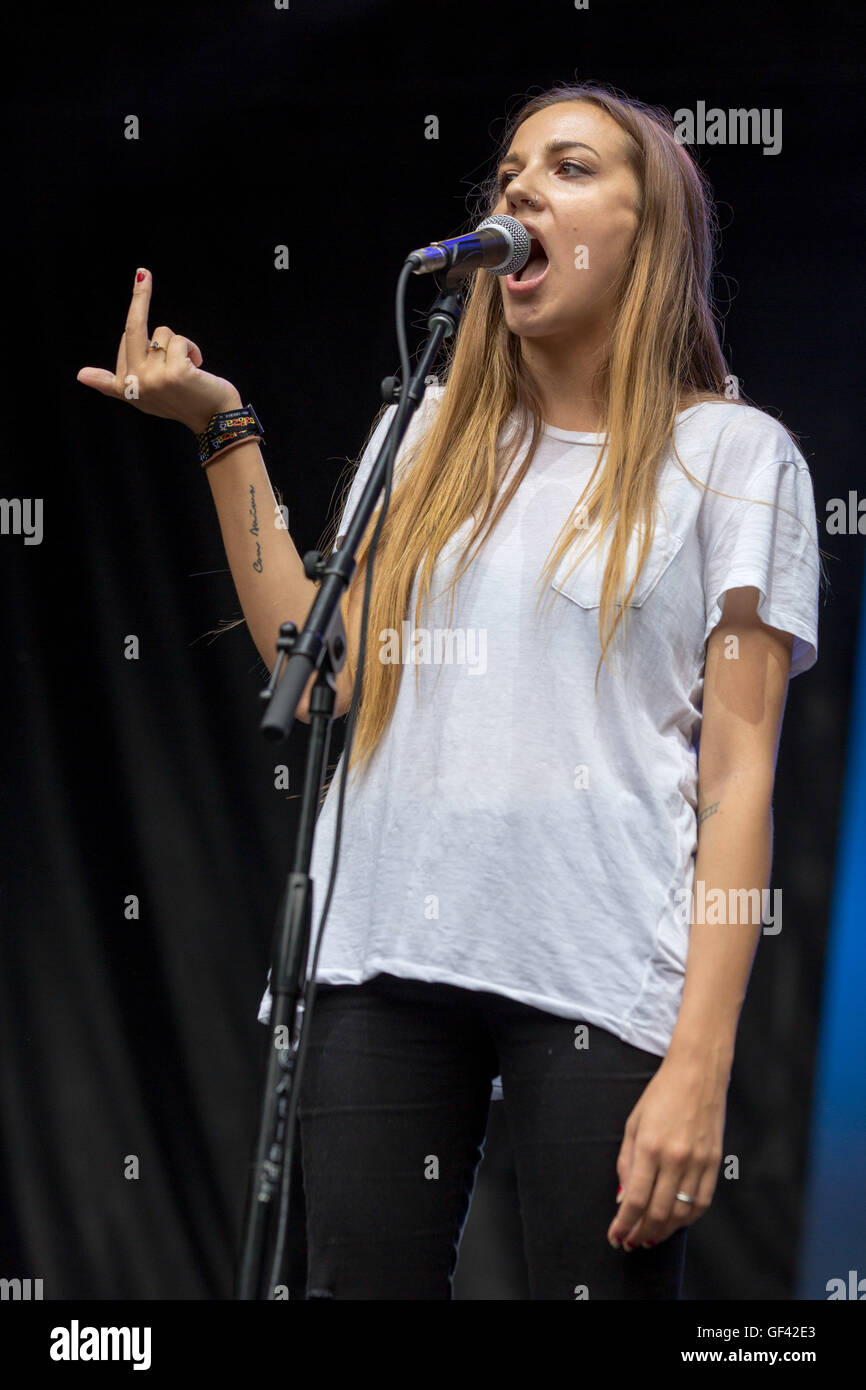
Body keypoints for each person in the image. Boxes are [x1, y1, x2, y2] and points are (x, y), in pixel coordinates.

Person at [76, 81, 821, 1300]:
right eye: (511, 169)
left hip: (596, 964)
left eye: (570, 168)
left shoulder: (732, 458)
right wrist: (225, 430)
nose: (519, 188)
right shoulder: (422, 438)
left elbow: (737, 783)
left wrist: (701, 1059)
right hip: (378, 947)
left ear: (649, 235)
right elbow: (314, 674)